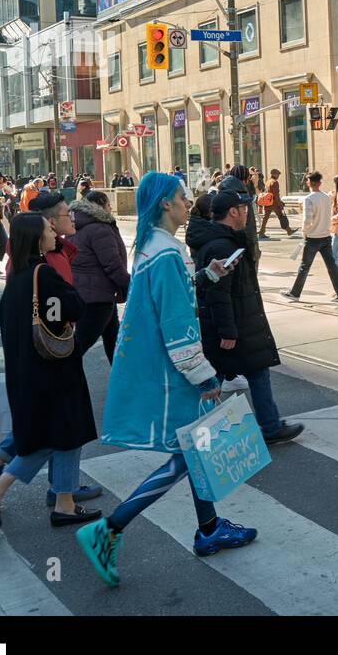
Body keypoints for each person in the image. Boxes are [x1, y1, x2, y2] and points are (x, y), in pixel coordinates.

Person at [78, 173, 254, 587]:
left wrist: (205, 276)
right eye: (180, 196)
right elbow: (176, 324)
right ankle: (111, 527)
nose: (188, 201)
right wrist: (203, 374)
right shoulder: (167, 253)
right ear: (164, 205)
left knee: (194, 448)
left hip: (163, 368)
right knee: (188, 454)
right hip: (176, 372)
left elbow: (165, 299)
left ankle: (209, 528)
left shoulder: (152, 248)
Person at [0, 213, 101, 529]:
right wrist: (73, 296)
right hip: (53, 373)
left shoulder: (16, 278)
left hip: (26, 372)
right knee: (55, 437)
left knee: (61, 437)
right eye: (48, 228)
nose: (54, 231)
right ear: (37, 238)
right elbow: (71, 309)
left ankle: (63, 503)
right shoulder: (43, 275)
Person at [188, 190, 304, 445]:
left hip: (241, 322)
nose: (248, 213)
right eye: (245, 209)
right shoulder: (221, 245)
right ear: (233, 211)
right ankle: (196, 431)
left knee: (256, 371)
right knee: (214, 379)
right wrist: (227, 331)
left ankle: (270, 426)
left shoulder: (226, 240)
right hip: (233, 326)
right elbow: (218, 294)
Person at [70, 190, 130, 362]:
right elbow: (113, 265)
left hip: (89, 293)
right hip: (97, 297)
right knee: (79, 345)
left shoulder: (77, 225)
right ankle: (59, 381)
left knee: (114, 339)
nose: (111, 209)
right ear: (100, 205)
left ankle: (123, 382)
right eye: (109, 205)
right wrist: (133, 284)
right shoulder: (100, 228)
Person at [280, 172, 338, 303]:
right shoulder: (326, 197)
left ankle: (295, 293)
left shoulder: (308, 199)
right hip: (326, 236)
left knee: (305, 266)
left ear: (308, 183)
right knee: (332, 265)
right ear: (320, 183)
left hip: (312, 237)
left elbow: (307, 219)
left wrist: (304, 231)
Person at [256, 168, 293, 239]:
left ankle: (261, 232)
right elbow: (276, 195)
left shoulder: (267, 182)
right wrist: (280, 204)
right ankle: (289, 230)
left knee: (266, 218)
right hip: (274, 203)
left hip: (268, 202)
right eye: (277, 174)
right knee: (281, 216)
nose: (278, 176)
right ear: (274, 174)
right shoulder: (275, 182)